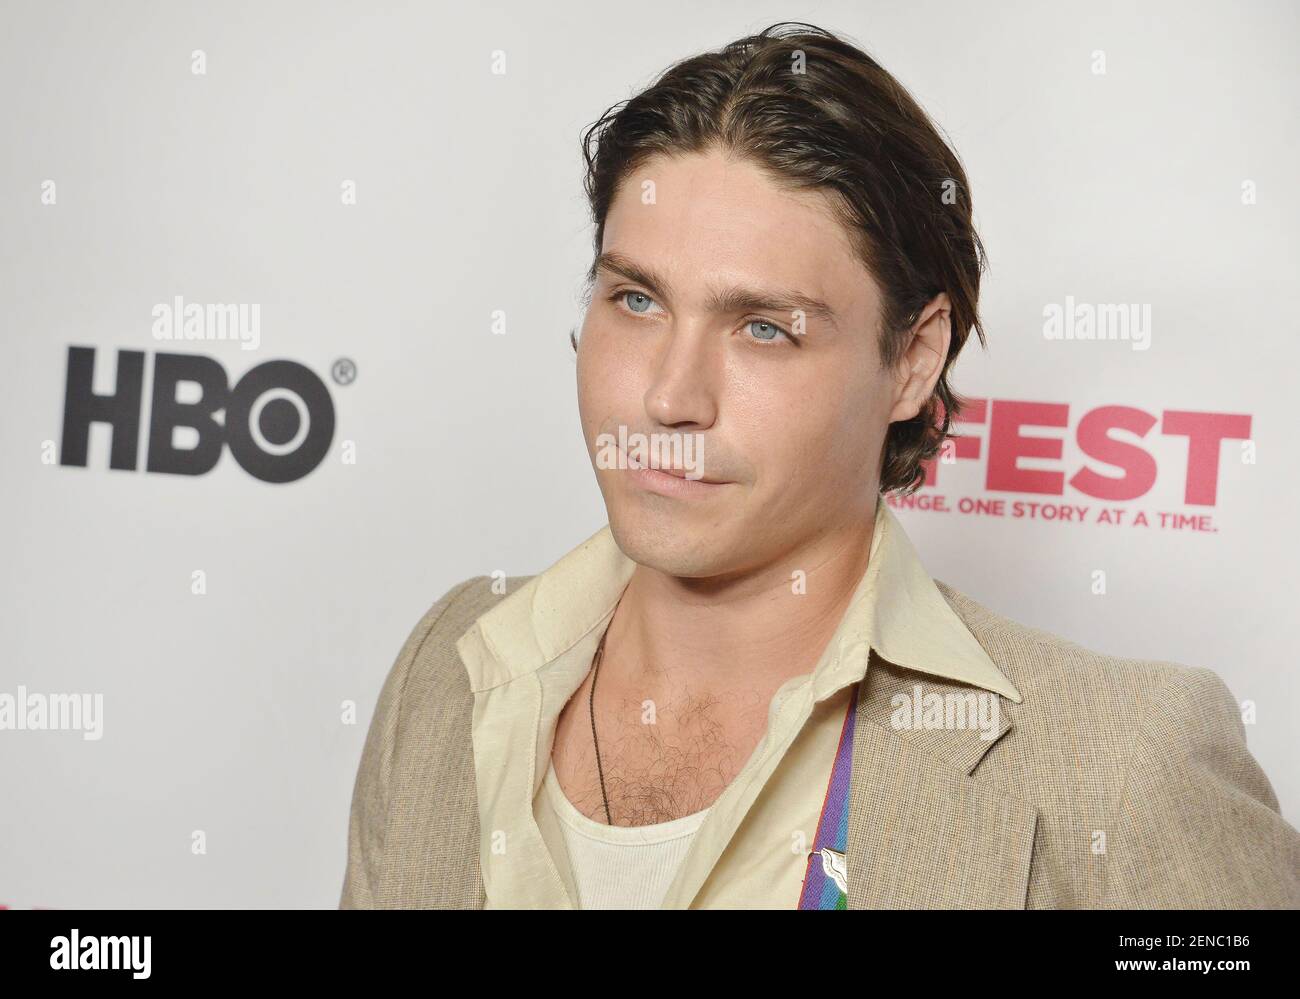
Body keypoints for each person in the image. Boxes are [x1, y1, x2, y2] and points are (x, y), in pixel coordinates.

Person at [340, 21, 1299, 909]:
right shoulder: (452, 661)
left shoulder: (1116, 766)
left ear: (913, 359)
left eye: (763, 327)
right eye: (636, 301)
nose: (670, 396)